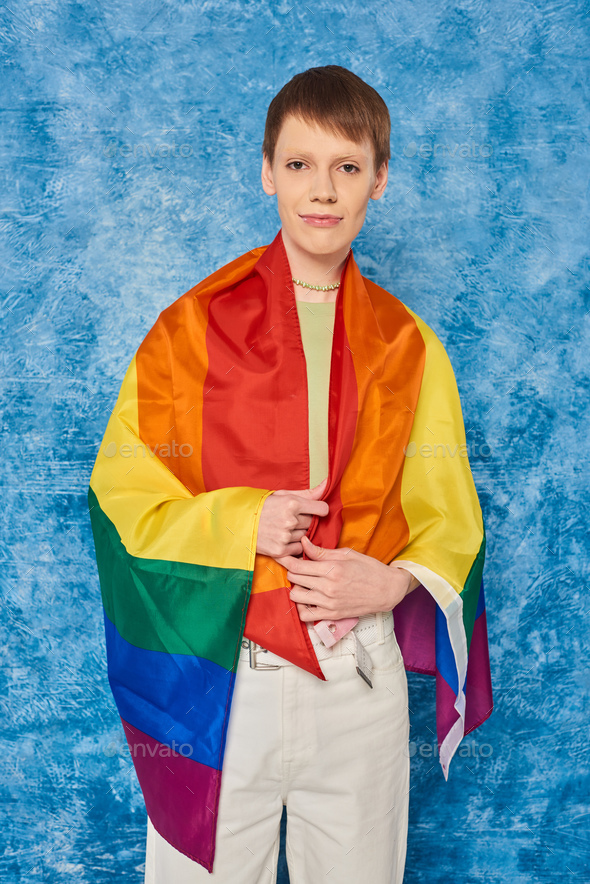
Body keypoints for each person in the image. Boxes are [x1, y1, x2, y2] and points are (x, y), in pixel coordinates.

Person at [88, 65, 493, 884]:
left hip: (359, 677)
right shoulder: (186, 330)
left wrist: (393, 583)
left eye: (348, 166)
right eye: (300, 164)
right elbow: (120, 501)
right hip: (222, 672)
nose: (323, 190)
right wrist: (245, 522)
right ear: (267, 172)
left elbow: (451, 521)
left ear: (380, 178)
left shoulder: (409, 346)